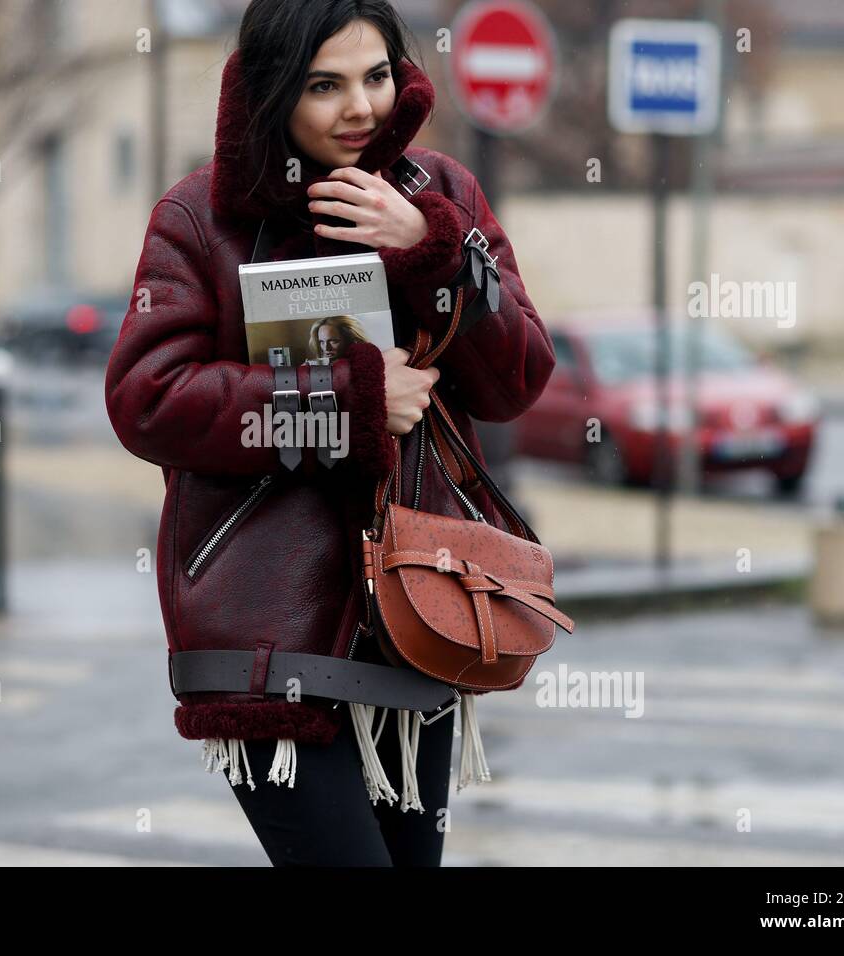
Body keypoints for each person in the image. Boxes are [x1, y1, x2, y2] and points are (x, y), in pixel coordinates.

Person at [104, 0, 557, 866]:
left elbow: (519, 378)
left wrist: (428, 245)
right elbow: (146, 398)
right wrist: (344, 397)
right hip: (265, 630)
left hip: (421, 610)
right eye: (326, 85)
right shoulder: (200, 217)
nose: (363, 107)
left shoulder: (443, 195)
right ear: (275, 90)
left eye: (378, 75)